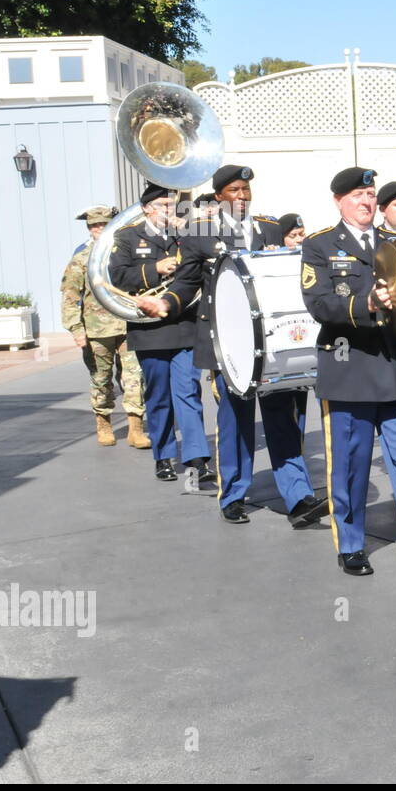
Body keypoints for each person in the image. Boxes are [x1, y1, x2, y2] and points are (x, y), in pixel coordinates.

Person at [298, 167, 396, 579]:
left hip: (395, 370)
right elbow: (320, 304)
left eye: (369, 195)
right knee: (350, 464)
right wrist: (367, 302)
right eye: (357, 196)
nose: (366, 202)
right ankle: (351, 544)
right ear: (338, 201)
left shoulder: (395, 243)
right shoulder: (319, 246)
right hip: (349, 369)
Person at [156, 165, 327, 527]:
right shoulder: (200, 233)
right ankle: (233, 494)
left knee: (283, 419)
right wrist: (168, 302)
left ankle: (298, 497)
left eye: (246, 190)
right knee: (234, 421)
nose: (242, 196)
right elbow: (187, 282)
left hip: (270, 343)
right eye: (234, 190)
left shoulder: (268, 229)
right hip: (227, 346)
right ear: (219, 196)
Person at [112, 182, 212, 482]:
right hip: (150, 329)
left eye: (173, 206)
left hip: (184, 324)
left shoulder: (187, 234)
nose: (170, 212)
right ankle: (164, 455)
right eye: (164, 207)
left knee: (188, 392)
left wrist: (190, 231)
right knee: (158, 396)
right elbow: (117, 277)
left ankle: (196, 457)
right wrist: (155, 268)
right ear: (146, 208)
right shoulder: (128, 236)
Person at [61, 205, 148, 449]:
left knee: (134, 377)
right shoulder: (81, 259)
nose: (98, 228)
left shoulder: (126, 253)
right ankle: (104, 423)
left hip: (129, 325)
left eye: (103, 224)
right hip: (97, 331)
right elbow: (69, 297)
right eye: (93, 225)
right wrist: (76, 330)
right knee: (100, 379)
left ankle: (136, 428)